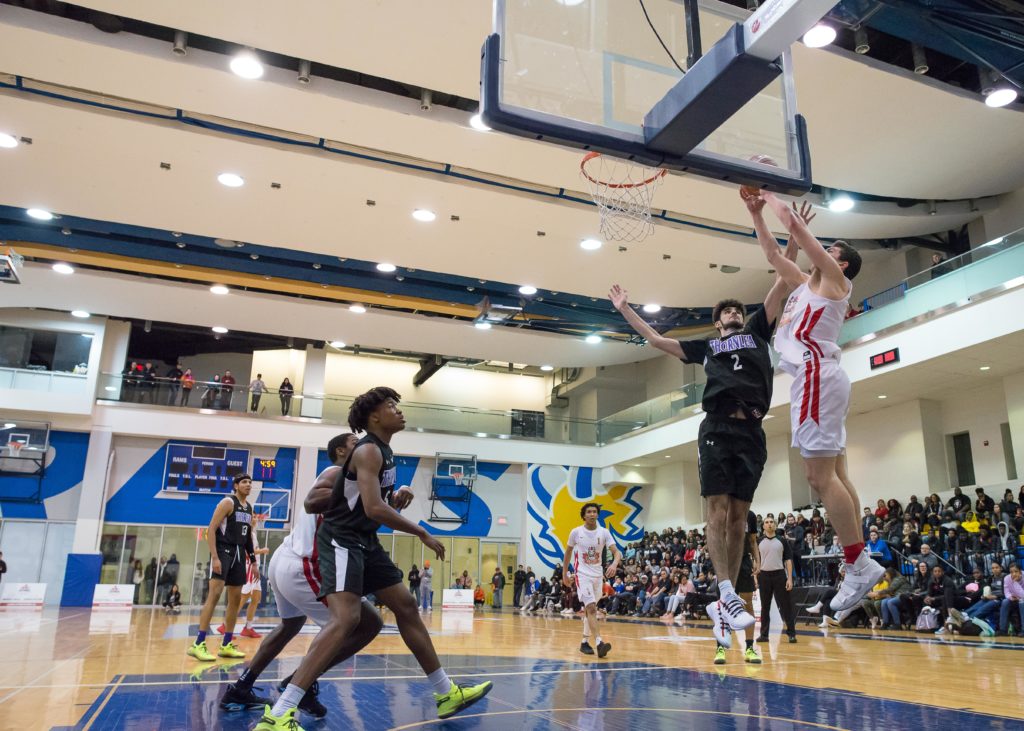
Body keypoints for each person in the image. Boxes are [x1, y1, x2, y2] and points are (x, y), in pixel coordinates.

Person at [254, 387, 491, 730]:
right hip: (341, 539)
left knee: (406, 606)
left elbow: (371, 501)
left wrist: (397, 495)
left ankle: (446, 693)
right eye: (391, 406)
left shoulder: (384, 452)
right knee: (346, 619)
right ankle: (278, 715)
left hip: (364, 540)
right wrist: (421, 532)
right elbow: (372, 508)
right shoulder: (367, 450)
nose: (399, 410)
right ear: (374, 417)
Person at [608, 218, 797, 647]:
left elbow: (783, 282)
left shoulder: (757, 332)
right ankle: (726, 592)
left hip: (752, 431)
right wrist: (625, 310)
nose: (733, 313)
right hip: (716, 427)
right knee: (717, 510)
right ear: (717, 323)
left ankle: (727, 595)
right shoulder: (708, 347)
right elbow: (657, 340)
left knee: (739, 517)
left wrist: (793, 238)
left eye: (737, 310)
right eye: (726, 312)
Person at [745, 189, 884, 612]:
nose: (818, 251)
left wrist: (767, 188)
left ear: (840, 263)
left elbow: (794, 225)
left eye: (829, 250)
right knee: (836, 473)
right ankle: (860, 560)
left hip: (816, 375)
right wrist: (755, 212)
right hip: (820, 378)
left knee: (818, 476)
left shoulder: (837, 283)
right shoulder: (806, 286)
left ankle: (857, 563)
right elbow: (773, 254)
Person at [220, 433, 388, 718]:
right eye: (354, 442)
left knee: (290, 625)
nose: (362, 445)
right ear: (340, 451)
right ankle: (301, 683)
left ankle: (241, 687)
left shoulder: (347, 481)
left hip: (286, 558)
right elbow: (324, 504)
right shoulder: (338, 474)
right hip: (304, 565)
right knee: (365, 623)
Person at [187, 473, 257, 662]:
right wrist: (215, 557)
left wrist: (253, 562)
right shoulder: (228, 502)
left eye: (250, 482)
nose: (248, 485)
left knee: (235, 600)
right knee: (215, 595)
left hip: (239, 554)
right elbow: (211, 529)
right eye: (244, 482)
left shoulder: (249, 508)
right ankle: (198, 643)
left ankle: (226, 644)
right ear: (236, 485)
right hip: (223, 551)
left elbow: (248, 538)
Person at [563, 502, 621, 658]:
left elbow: (617, 552)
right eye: (588, 511)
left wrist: (614, 564)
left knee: (591, 612)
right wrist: (564, 574)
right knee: (592, 608)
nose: (592, 514)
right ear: (584, 515)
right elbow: (568, 553)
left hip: (598, 576)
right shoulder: (576, 532)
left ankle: (584, 642)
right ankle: (599, 643)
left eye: (594, 511)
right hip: (582, 575)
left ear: (597, 514)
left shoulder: (604, 532)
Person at [714, 510, 764, 664]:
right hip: (725, 563)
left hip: (744, 562)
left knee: (748, 604)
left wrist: (758, 561)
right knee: (724, 606)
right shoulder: (721, 512)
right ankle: (720, 648)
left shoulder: (750, 515)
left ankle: (749, 648)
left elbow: (752, 541)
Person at [756, 516, 796, 643]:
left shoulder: (782, 541)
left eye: (771, 522)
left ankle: (791, 634)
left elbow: (788, 560)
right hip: (764, 576)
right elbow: (755, 560)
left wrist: (789, 579)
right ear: (763, 526)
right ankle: (764, 635)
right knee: (765, 607)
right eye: (766, 522)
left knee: (786, 605)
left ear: (775, 525)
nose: (769, 524)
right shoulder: (758, 541)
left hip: (779, 575)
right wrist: (755, 578)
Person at [999, 564, 1024, 636]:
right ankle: (1003, 630)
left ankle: (1023, 630)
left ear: (1020, 571)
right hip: (1014, 599)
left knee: (1022, 602)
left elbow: (1023, 595)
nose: (1014, 574)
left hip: (1022, 599)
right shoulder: (1007, 578)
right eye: (1011, 572)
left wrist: (1015, 582)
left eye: (1016, 571)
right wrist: (1011, 597)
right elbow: (1006, 592)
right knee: (1005, 601)